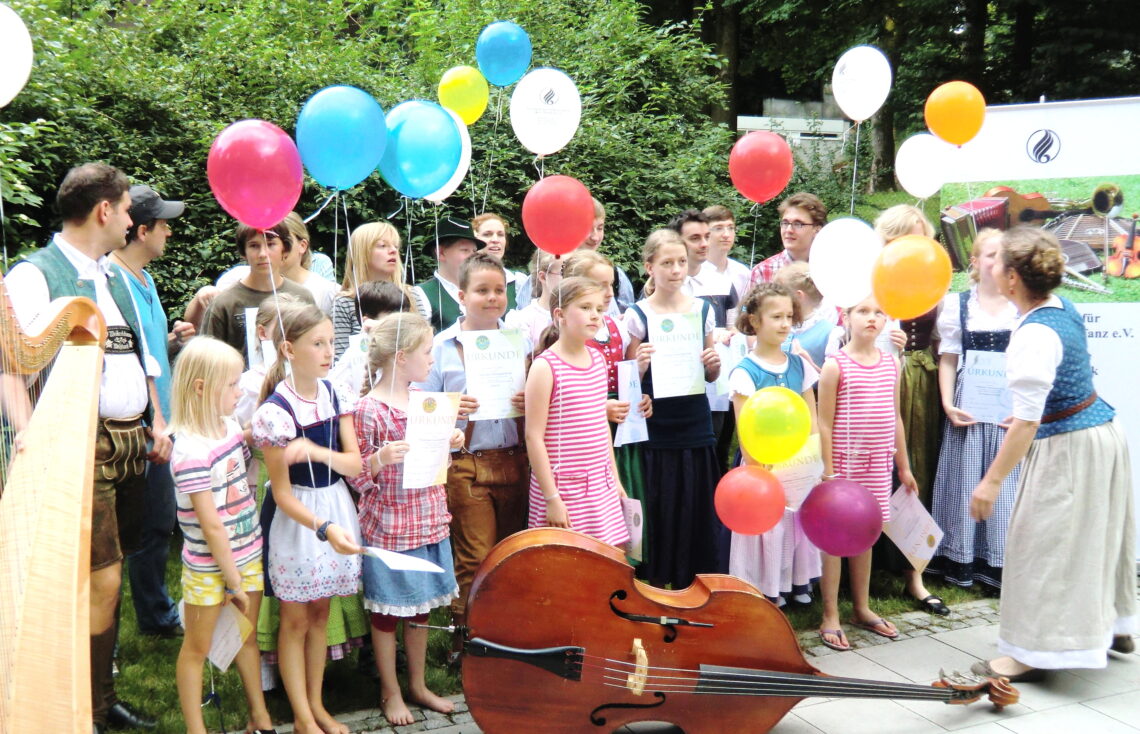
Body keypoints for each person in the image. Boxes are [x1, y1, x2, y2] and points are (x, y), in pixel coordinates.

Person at [2, 163, 161, 732]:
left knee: (110, 575)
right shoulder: (35, 274)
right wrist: (29, 433)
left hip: (127, 441)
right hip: (75, 445)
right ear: (104, 212)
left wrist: (155, 420)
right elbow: (9, 362)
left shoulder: (113, 275)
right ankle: (79, 703)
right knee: (100, 576)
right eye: (125, 210)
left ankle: (99, 695)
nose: (130, 219)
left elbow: (138, 356)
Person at [968, 227, 1136, 682]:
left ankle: (1034, 651)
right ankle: (1111, 625)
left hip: (1071, 448)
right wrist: (1030, 417)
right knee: (1094, 536)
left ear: (1012, 280)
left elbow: (1026, 421)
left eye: (998, 264)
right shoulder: (1061, 307)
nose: (992, 270)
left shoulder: (1034, 333)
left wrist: (991, 481)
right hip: (1099, 433)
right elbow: (1048, 396)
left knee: (1043, 545)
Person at [252, 300, 363, 734]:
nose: (327, 351)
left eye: (330, 342)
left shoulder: (335, 394)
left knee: (320, 612)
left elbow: (354, 465)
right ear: (288, 348)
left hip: (335, 502)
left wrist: (316, 450)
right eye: (317, 343)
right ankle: (300, 715)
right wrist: (323, 528)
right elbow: (281, 495)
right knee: (295, 618)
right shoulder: (275, 413)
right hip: (300, 519)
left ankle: (316, 706)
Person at [347, 313, 462, 726]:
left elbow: (437, 460)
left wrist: (451, 440)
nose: (432, 359)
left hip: (428, 516)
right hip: (391, 526)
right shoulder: (368, 409)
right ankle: (389, 689)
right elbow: (354, 473)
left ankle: (417, 684)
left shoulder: (423, 402)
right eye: (426, 351)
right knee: (387, 611)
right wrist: (378, 459)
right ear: (401, 357)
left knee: (420, 608)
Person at [414, 252, 530, 662]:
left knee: (513, 555)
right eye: (482, 291)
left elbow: (545, 401)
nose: (492, 298)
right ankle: (469, 643)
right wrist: (449, 406)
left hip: (517, 461)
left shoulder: (522, 342)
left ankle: (508, 638)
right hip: (467, 464)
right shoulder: (442, 347)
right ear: (462, 295)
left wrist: (527, 398)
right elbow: (418, 405)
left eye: (499, 291)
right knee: (476, 556)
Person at [168, 337, 273, 734]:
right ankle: (198, 730)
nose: (240, 390)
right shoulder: (190, 453)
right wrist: (232, 581)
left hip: (248, 553)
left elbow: (243, 479)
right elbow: (210, 525)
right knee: (197, 649)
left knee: (246, 639)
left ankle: (259, 718)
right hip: (211, 569)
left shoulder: (230, 428)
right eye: (231, 384)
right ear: (200, 388)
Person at [110, 184, 191, 639]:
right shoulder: (114, 280)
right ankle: (155, 616)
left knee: (157, 522)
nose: (169, 234)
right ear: (141, 230)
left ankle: (152, 611)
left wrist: (174, 341)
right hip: (144, 423)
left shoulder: (144, 277)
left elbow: (149, 352)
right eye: (163, 225)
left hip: (163, 418)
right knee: (149, 525)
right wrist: (153, 423)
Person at [816, 295, 918, 651]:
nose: (872, 319)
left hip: (878, 464)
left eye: (879, 312)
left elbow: (895, 417)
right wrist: (828, 472)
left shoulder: (891, 364)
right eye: (863, 311)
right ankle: (830, 613)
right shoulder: (835, 366)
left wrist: (903, 466)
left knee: (866, 534)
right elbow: (824, 423)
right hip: (843, 466)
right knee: (834, 539)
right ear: (846, 317)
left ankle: (861, 606)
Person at [623, 229, 723, 588]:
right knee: (661, 505)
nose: (676, 269)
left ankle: (691, 583)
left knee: (694, 505)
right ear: (649, 267)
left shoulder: (702, 311)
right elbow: (627, 382)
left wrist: (713, 363)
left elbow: (712, 374)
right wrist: (639, 366)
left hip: (695, 423)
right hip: (656, 427)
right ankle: (655, 581)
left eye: (681, 262)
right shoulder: (637, 315)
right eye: (667, 263)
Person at [929, 229, 1020, 593]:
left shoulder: (1020, 304)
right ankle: (962, 558)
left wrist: (1025, 408)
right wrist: (948, 403)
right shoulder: (958, 304)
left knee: (1007, 482)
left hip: (1009, 404)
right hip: (971, 402)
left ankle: (1000, 560)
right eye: (990, 255)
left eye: (1003, 256)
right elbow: (948, 358)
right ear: (974, 261)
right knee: (966, 478)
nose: (996, 262)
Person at [871, 205, 947, 615]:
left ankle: (912, 570)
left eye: (925, 239)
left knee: (914, 467)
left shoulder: (934, 281)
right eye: (911, 238)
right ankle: (865, 560)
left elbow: (942, 339)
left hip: (919, 381)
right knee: (875, 468)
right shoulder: (869, 280)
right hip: (876, 382)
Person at [728, 283, 821, 607]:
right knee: (769, 528)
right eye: (775, 317)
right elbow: (745, 429)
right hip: (763, 467)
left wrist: (813, 460)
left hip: (797, 463)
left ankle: (797, 581)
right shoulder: (745, 372)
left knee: (796, 524)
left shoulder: (799, 365)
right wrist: (758, 464)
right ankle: (767, 584)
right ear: (754, 321)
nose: (784, 323)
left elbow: (811, 416)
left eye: (788, 317)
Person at [526, 276, 631, 547]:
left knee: (606, 559)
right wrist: (552, 498)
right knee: (566, 564)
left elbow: (600, 425)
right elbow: (533, 437)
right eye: (585, 307)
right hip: (563, 490)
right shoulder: (545, 367)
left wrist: (615, 479)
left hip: (600, 484)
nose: (595, 315)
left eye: (599, 309)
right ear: (559, 314)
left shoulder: (597, 359)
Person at [671, 208, 739, 473]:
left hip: (716, 388)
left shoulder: (721, 282)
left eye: (706, 236)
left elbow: (736, 327)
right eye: (694, 238)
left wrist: (729, 333)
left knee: (716, 456)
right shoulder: (662, 283)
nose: (703, 244)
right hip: (678, 389)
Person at [201, 220, 315, 366]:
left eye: (271, 244)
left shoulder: (302, 297)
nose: (263, 253)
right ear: (244, 252)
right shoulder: (225, 303)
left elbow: (313, 349)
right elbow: (207, 360)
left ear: (284, 249)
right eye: (254, 246)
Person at [516, 197, 636, 315]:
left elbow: (623, 322)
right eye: (587, 229)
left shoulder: (616, 275)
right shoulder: (548, 271)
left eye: (600, 228)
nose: (595, 237)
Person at [332, 222, 423, 360]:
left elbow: (426, 346)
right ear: (362, 252)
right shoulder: (345, 301)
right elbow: (339, 358)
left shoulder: (411, 294)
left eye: (396, 246)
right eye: (382, 245)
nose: (393, 250)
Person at [328, 281, 416, 402]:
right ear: (368, 322)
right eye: (392, 320)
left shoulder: (409, 349)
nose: (399, 325)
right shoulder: (354, 354)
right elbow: (334, 388)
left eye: (403, 318)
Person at [748, 192, 826, 288]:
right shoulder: (763, 271)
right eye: (785, 223)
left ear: (817, 229)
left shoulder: (830, 270)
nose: (789, 230)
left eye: (798, 224)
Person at [414, 219, 480, 333]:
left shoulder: (481, 290)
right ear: (441, 253)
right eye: (465, 250)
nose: (472, 256)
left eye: (474, 251)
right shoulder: (421, 294)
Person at [774, 262, 837, 372]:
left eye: (780, 294)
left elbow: (834, 382)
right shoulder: (776, 327)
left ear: (798, 296)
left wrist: (810, 365)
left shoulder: (830, 333)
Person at [702, 204, 752, 324]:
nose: (726, 234)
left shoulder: (742, 273)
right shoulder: (693, 272)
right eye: (718, 228)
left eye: (730, 228)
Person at [504, 249, 560, 348]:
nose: (571, 278)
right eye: (564, 272)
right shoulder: (521, 320)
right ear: (543, 277)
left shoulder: (581, 314)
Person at [472, 212, 526, 297]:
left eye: (500, 234)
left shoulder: (518, 282)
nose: (495, 240)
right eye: (487, 234)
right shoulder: (462, 279)